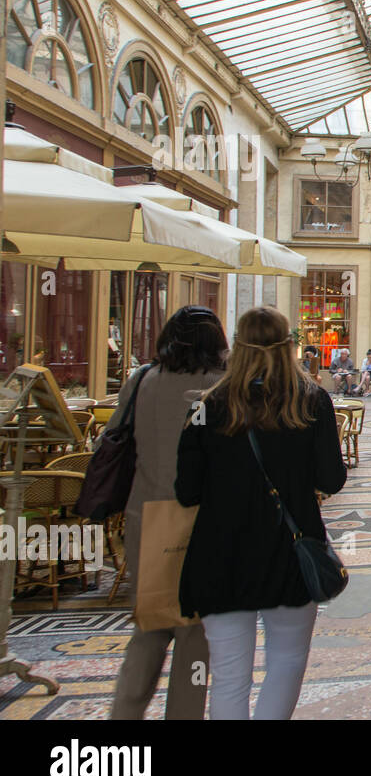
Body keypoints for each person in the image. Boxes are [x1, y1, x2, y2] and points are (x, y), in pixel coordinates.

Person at [176, 306, 347, 720]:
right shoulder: (312, 401)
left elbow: (185, 492)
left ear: (236, 346)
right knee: (286, 664)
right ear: (289, 346)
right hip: (290, 553)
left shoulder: (204, 406)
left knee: (230, 677)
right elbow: (332, 479)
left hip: (221, 556)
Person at [110, 305, 227, 720]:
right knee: (195, 637)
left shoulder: (141, 381)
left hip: (146, 520)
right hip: (202, 524)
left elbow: (113, 439)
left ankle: (124, 717)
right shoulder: (223, 386)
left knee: (147, 630)